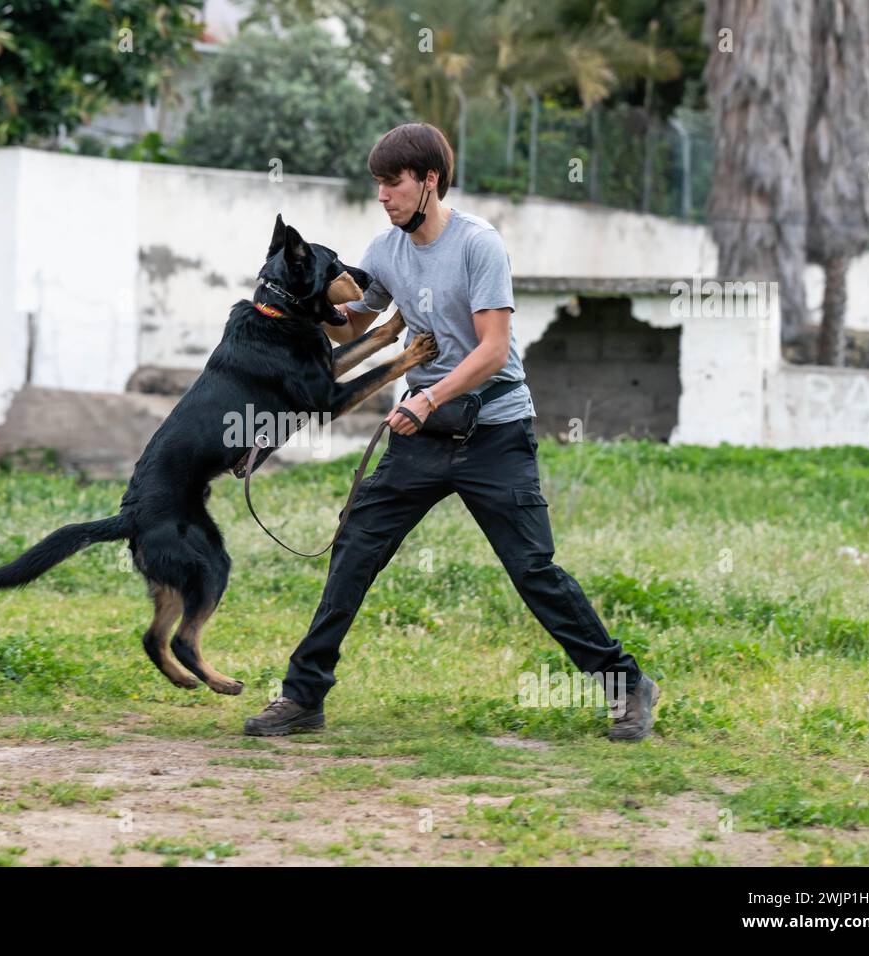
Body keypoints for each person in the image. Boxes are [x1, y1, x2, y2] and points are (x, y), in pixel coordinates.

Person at [243, 123, 659, 740]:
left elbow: (493, 350)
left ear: (429, 180)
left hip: (493, 431)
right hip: (422, 437)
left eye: (393, 183)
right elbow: (346, 328)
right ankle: (304, 697)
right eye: (378, 184)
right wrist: (296, 295)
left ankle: (627, 687)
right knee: (354, 555)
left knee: (533, 569)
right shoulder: (384, 251)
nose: (383, 196)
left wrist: (429, 395)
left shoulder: (477, 245)